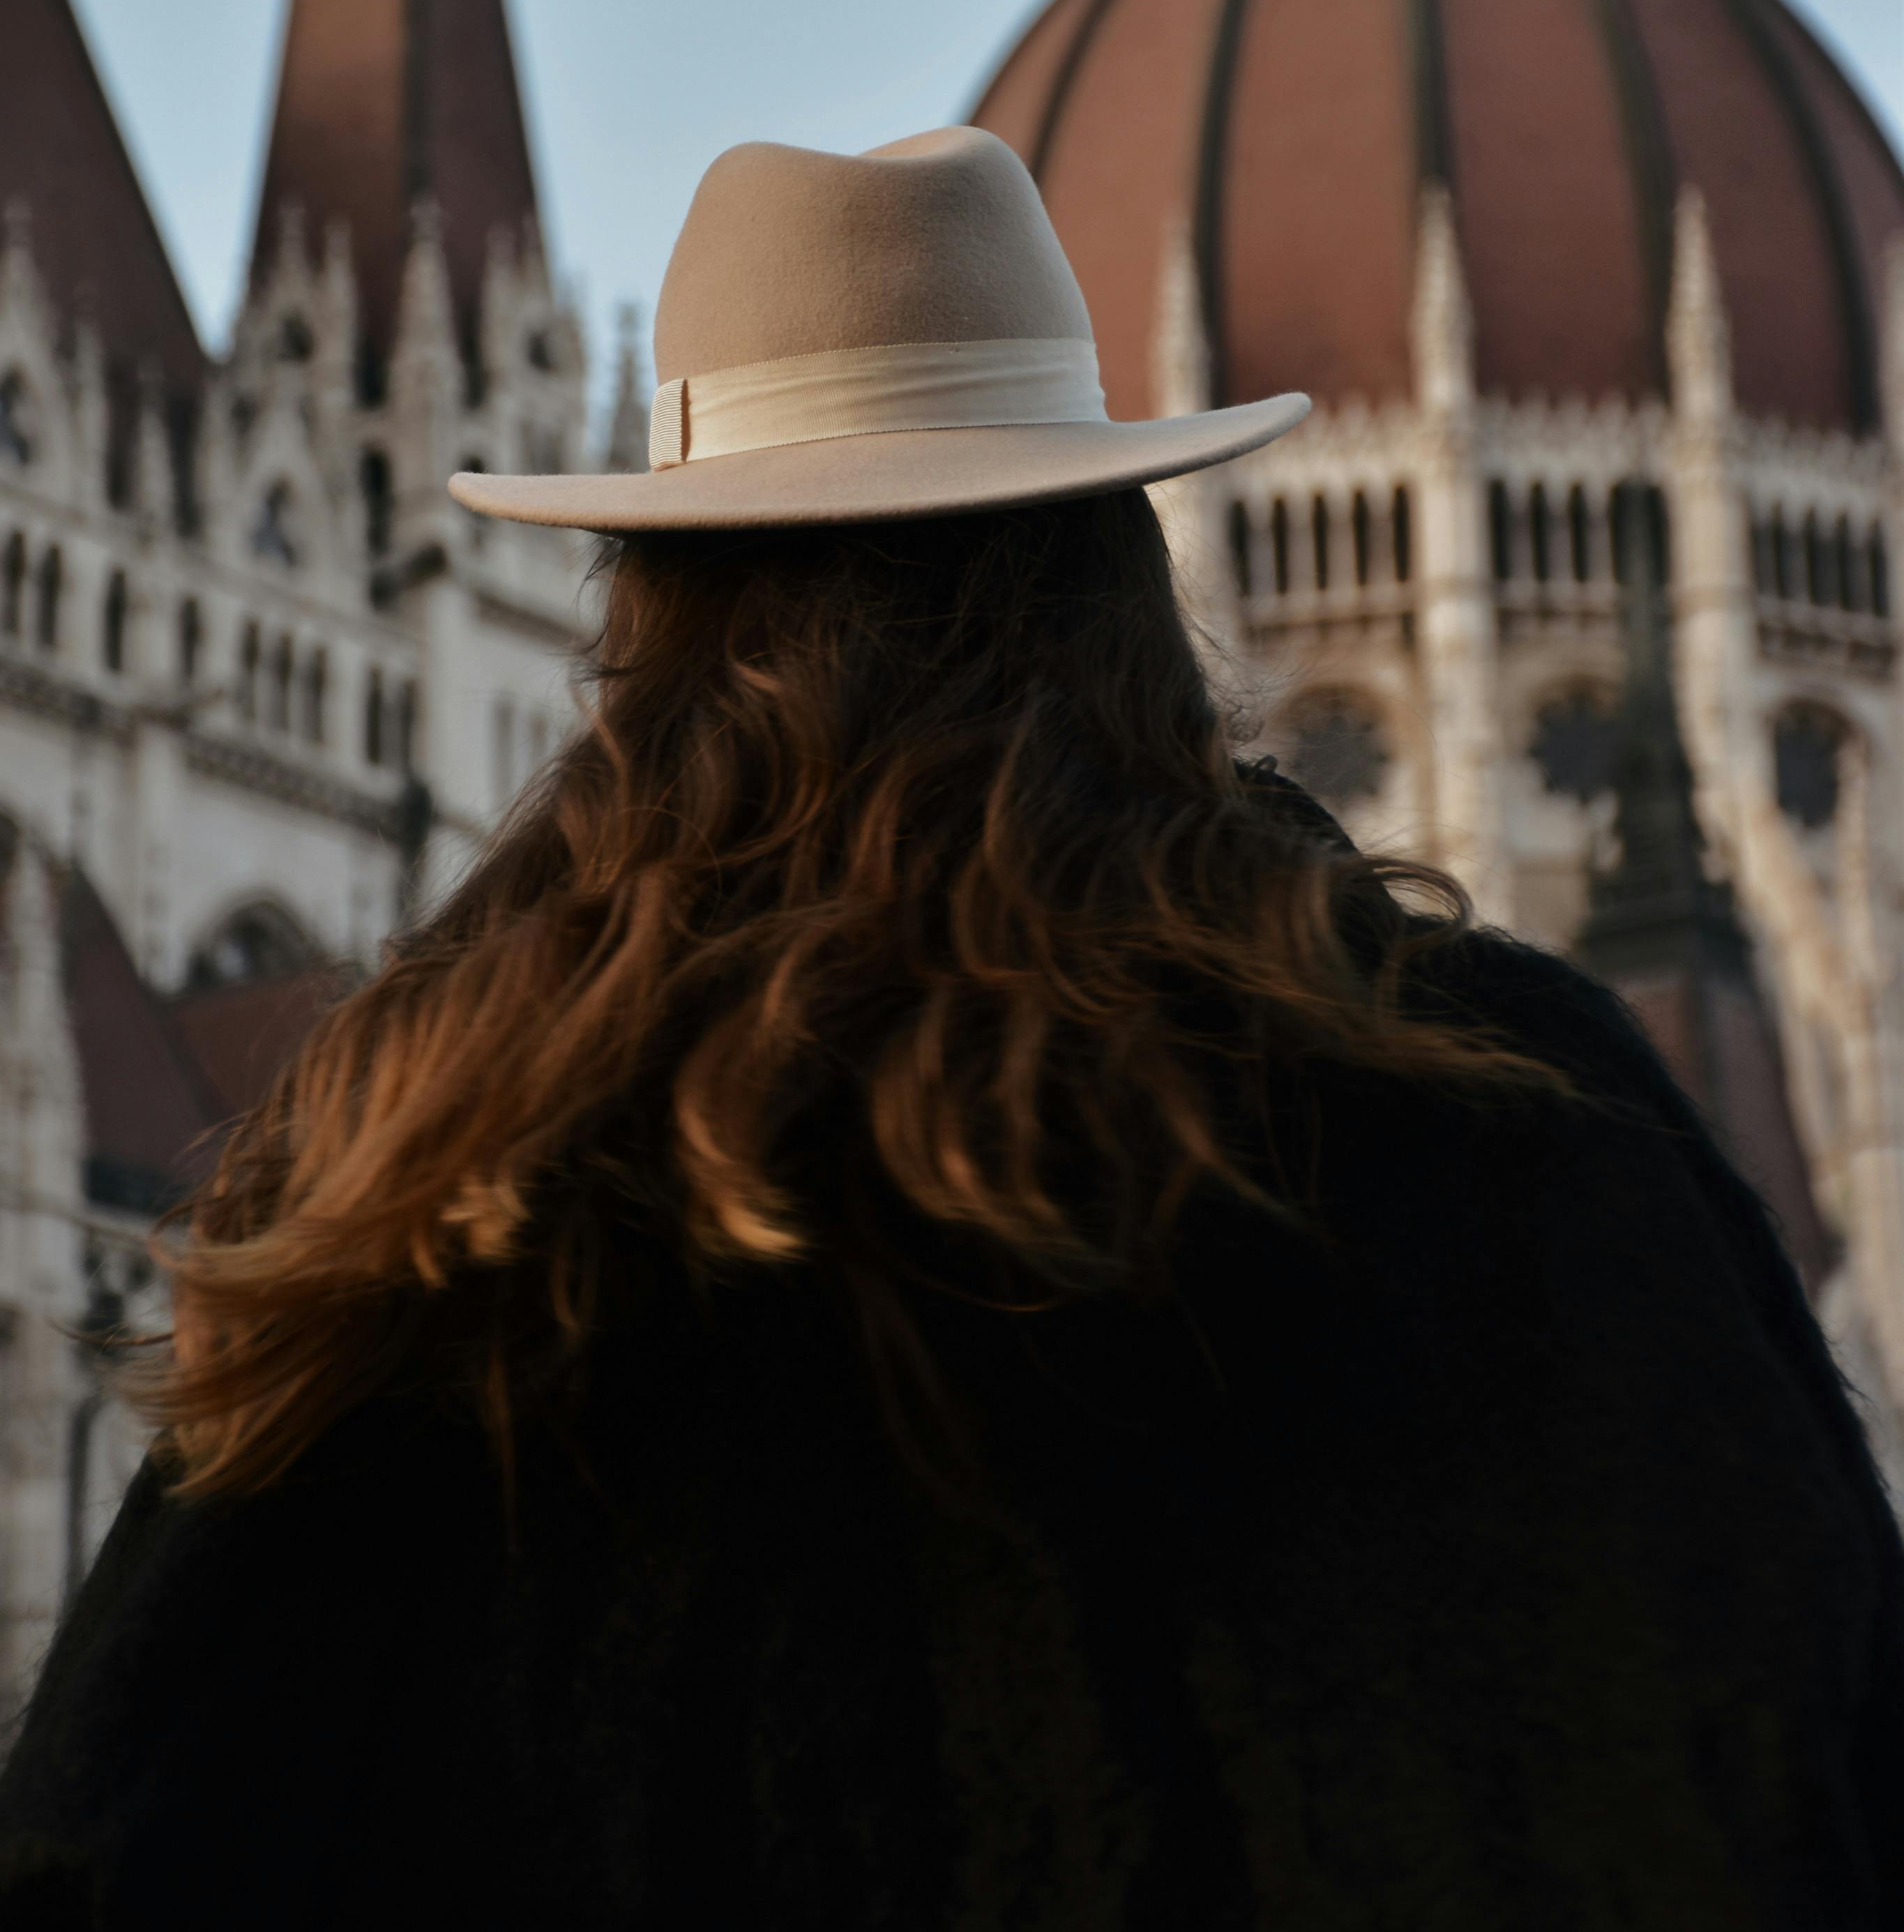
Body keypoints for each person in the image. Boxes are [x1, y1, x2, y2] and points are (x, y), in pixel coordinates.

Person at [1, 128, 1898, 1931]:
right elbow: (1789, 1762)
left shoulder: (432, 1201)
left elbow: (127, 1832)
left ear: (646, 630)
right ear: (1125, 587)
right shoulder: (1504, 1122)